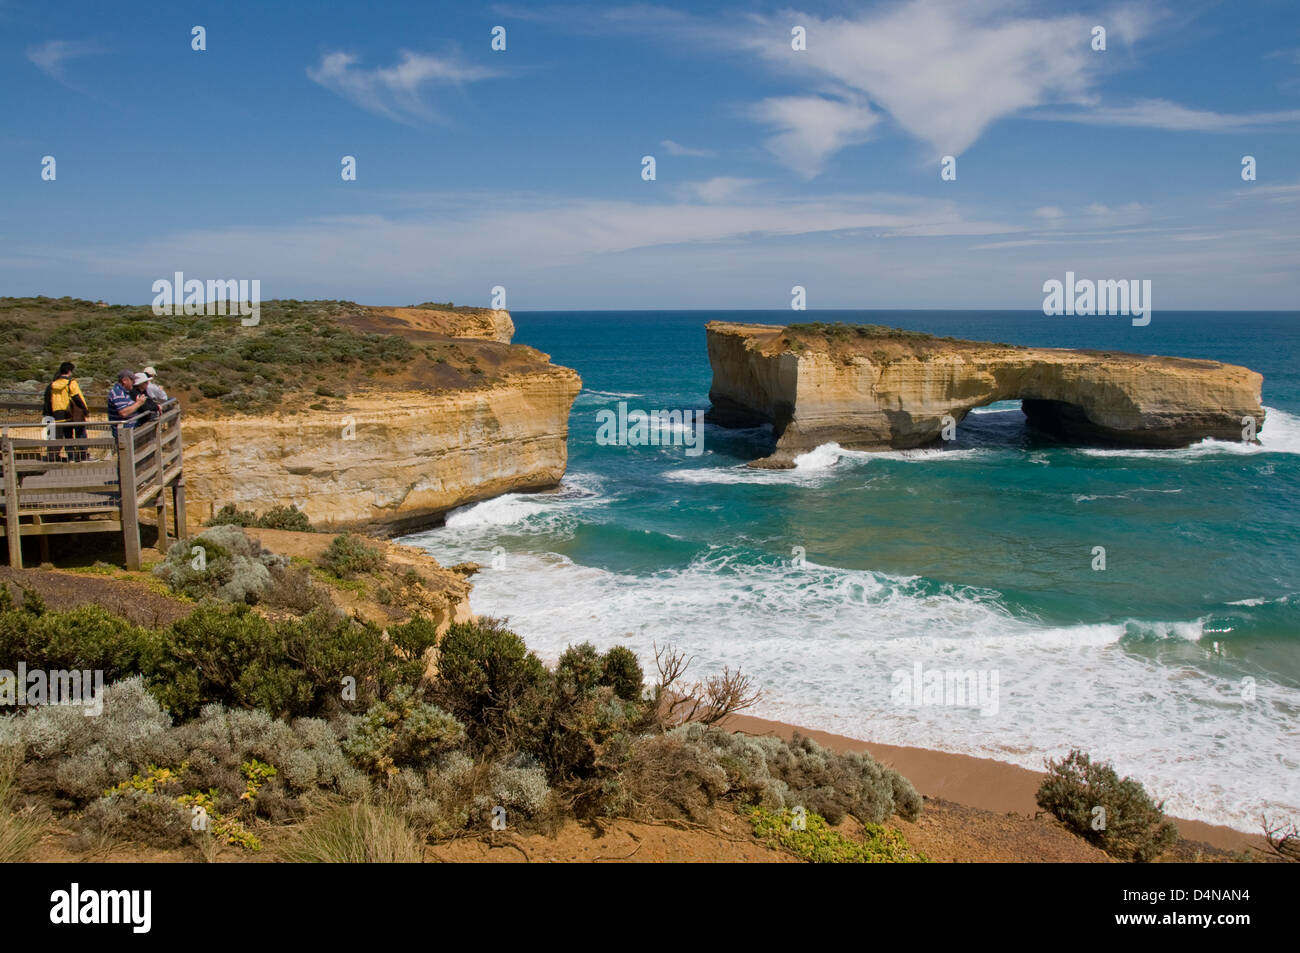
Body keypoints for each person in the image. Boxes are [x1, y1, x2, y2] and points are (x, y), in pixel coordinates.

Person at [42, 361, 89, 462]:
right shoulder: (71, 382)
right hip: (69, 413)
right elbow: (76, 397)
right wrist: (84, 409)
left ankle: (71, 457)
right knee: (80, 432)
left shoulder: (52, 385)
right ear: (69, 371)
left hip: (57, 414)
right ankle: (82, 455)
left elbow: (47, 401)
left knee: (67, 436)